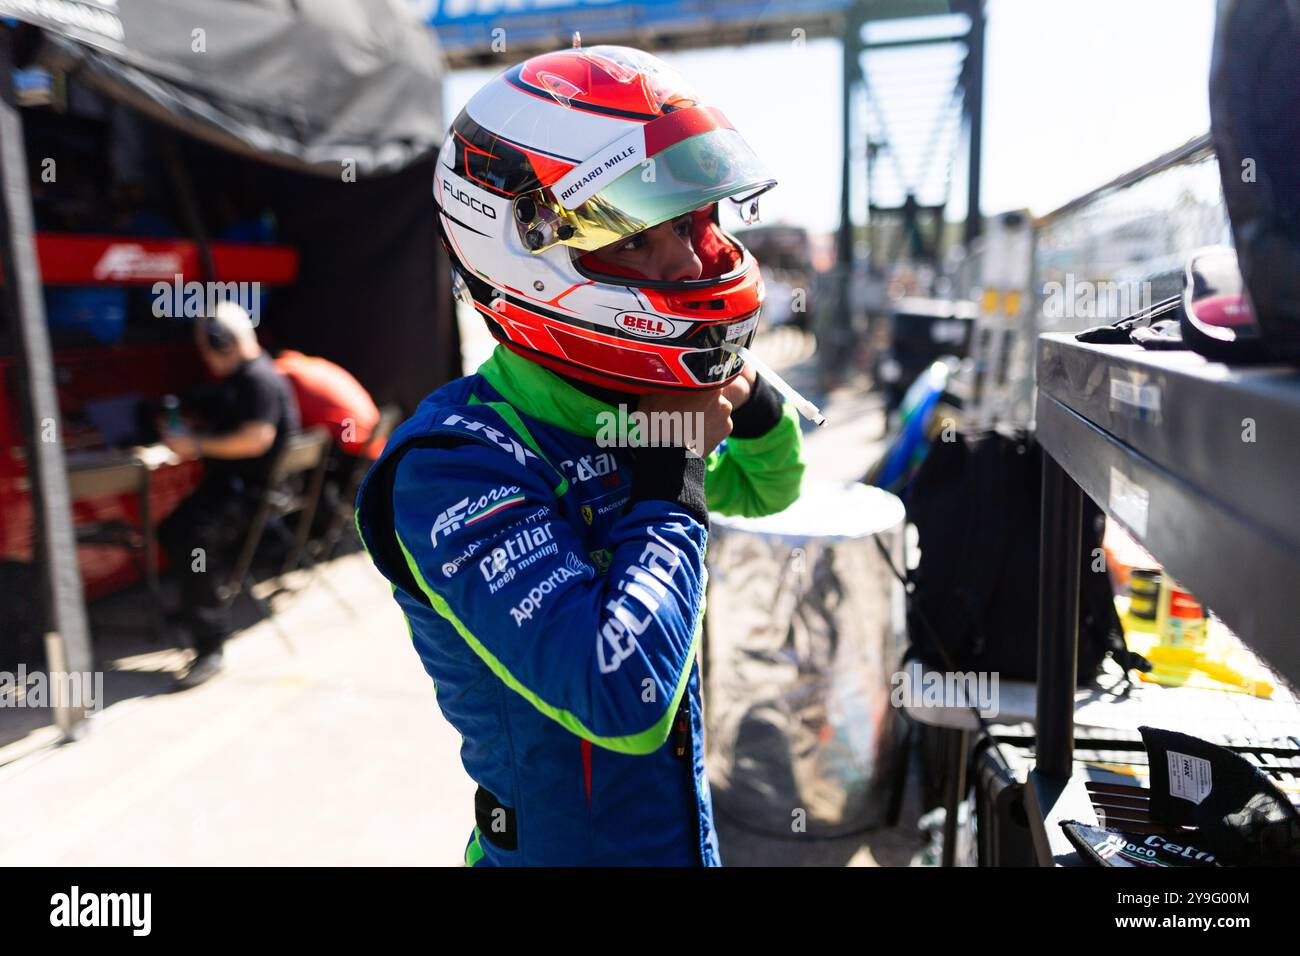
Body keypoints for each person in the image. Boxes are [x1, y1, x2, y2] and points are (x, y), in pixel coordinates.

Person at [354, 45, 805, 866]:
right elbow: (620, 692)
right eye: (639, 237)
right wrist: (673, 467)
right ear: (521, 250)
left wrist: (746, 385)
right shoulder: (451, 463)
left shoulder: (627, 394)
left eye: (696, 220)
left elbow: (769, 489)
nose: (692, 262)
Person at [157, 301, 300, 687]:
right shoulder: (248, 379)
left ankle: (209, 642)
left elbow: (256, 440)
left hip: (246, 498)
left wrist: (197, 444)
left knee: (189, 536)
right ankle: (196, 604)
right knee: (174, 529)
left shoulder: (257, 381)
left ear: (222, 343)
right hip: (242, 494)